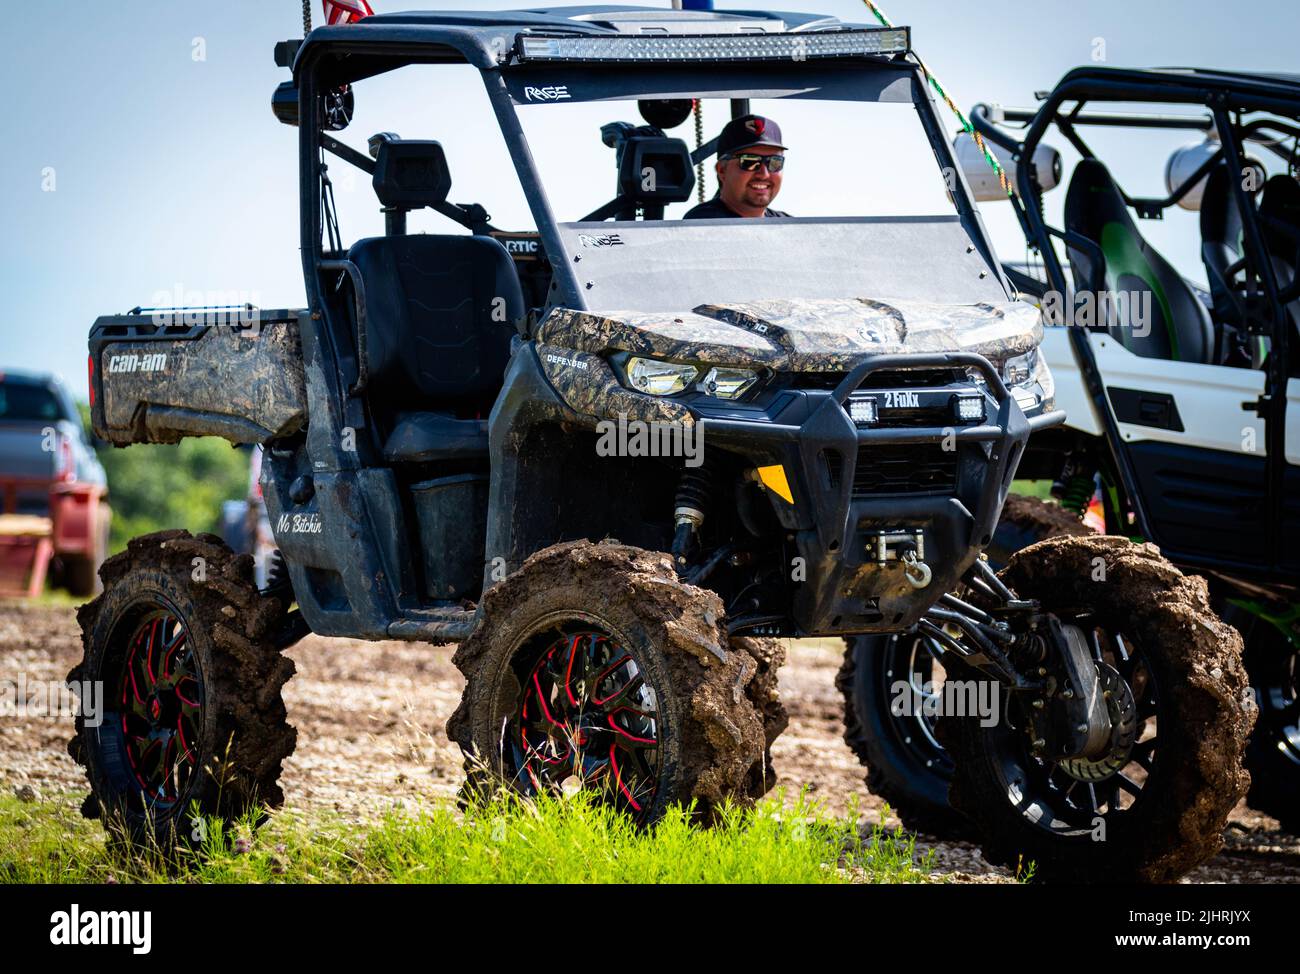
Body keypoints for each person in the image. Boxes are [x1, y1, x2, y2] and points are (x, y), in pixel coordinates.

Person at [683, 114, 791, 219]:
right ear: (722, 170)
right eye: (749, 161)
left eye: (774, 162)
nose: (764, 174)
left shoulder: (789, 225)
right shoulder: (705, 223)